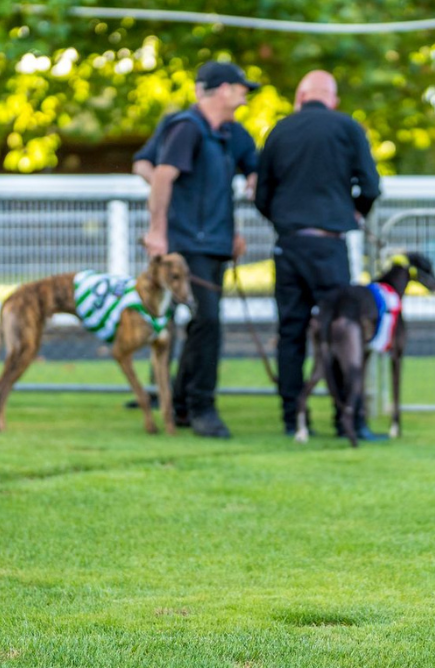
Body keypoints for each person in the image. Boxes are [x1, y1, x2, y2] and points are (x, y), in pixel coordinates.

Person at [254, 70, 382, 439]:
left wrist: (285, 222)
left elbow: (263, 195)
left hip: (290, 244)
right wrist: (354, 211)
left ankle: (292, 419)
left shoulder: (279, 131)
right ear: (333, 99)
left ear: (299, 96)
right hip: (329, 245)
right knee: (342, 329)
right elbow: (371, 185)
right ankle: (349, 420)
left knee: (291, 332)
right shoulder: (347, 127)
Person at [142, 61, 259, 439]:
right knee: (207, 323)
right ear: (224, 89)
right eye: (242, 88)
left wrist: (232, 231)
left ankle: (182, 404)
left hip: (212, 245)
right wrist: (158, 231)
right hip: (187, 244)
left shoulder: (224, 135)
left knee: (201, 325)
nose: (245, 96)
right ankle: (202, 407)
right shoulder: (186, 128)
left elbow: (220, 191)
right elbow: (161, 175)